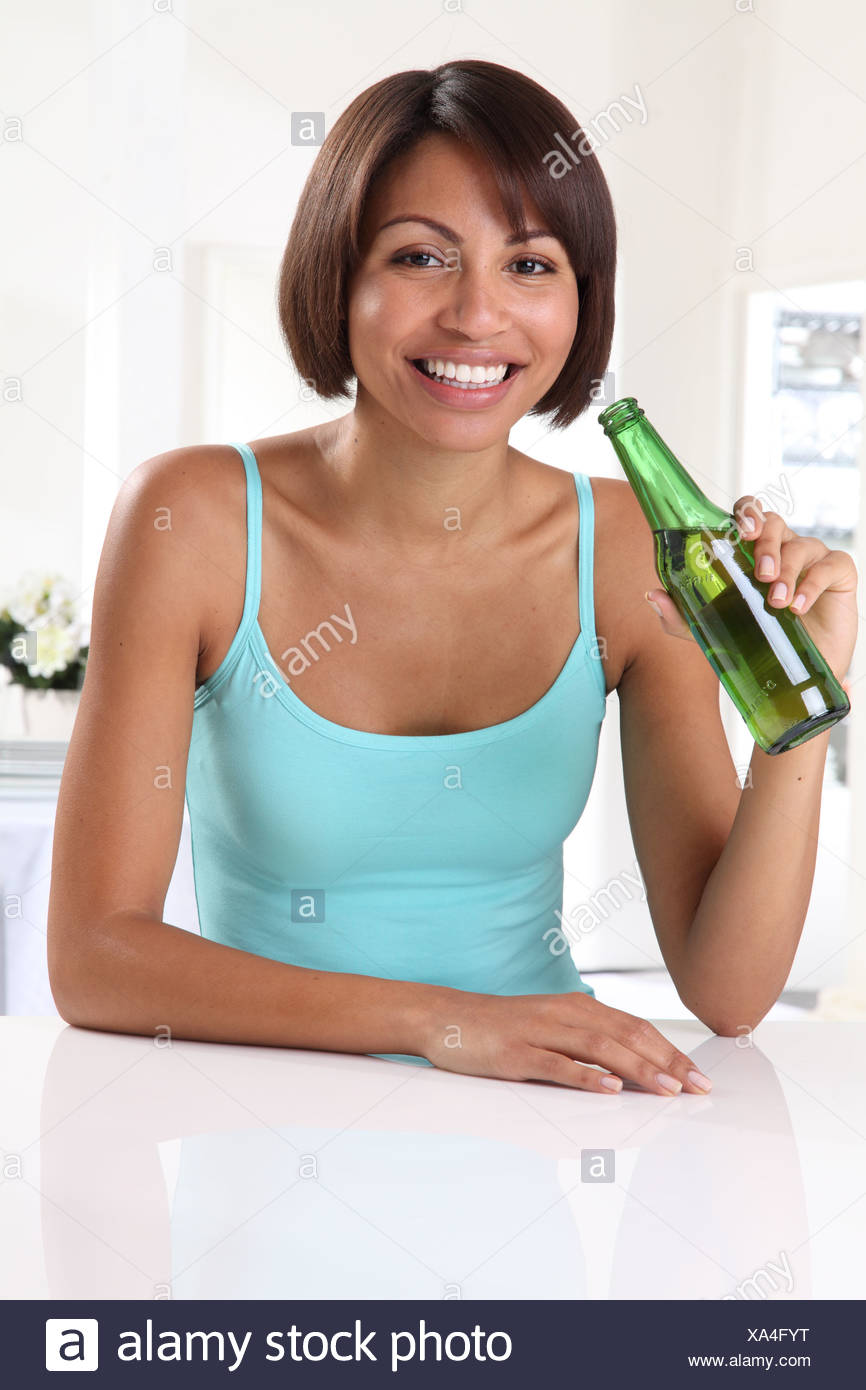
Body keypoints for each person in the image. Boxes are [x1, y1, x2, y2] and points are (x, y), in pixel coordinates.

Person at [46, 60, 858, 1097]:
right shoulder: (195, 520)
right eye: (422, 256)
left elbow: (728, 991)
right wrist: (443, 1022)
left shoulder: (622, 548)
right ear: (338, 278)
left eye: (529, 266)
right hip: (259, 1141)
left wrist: (800, 701)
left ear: (579, 299)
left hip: (546, 1132)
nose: (477, 317)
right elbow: (94, 956)